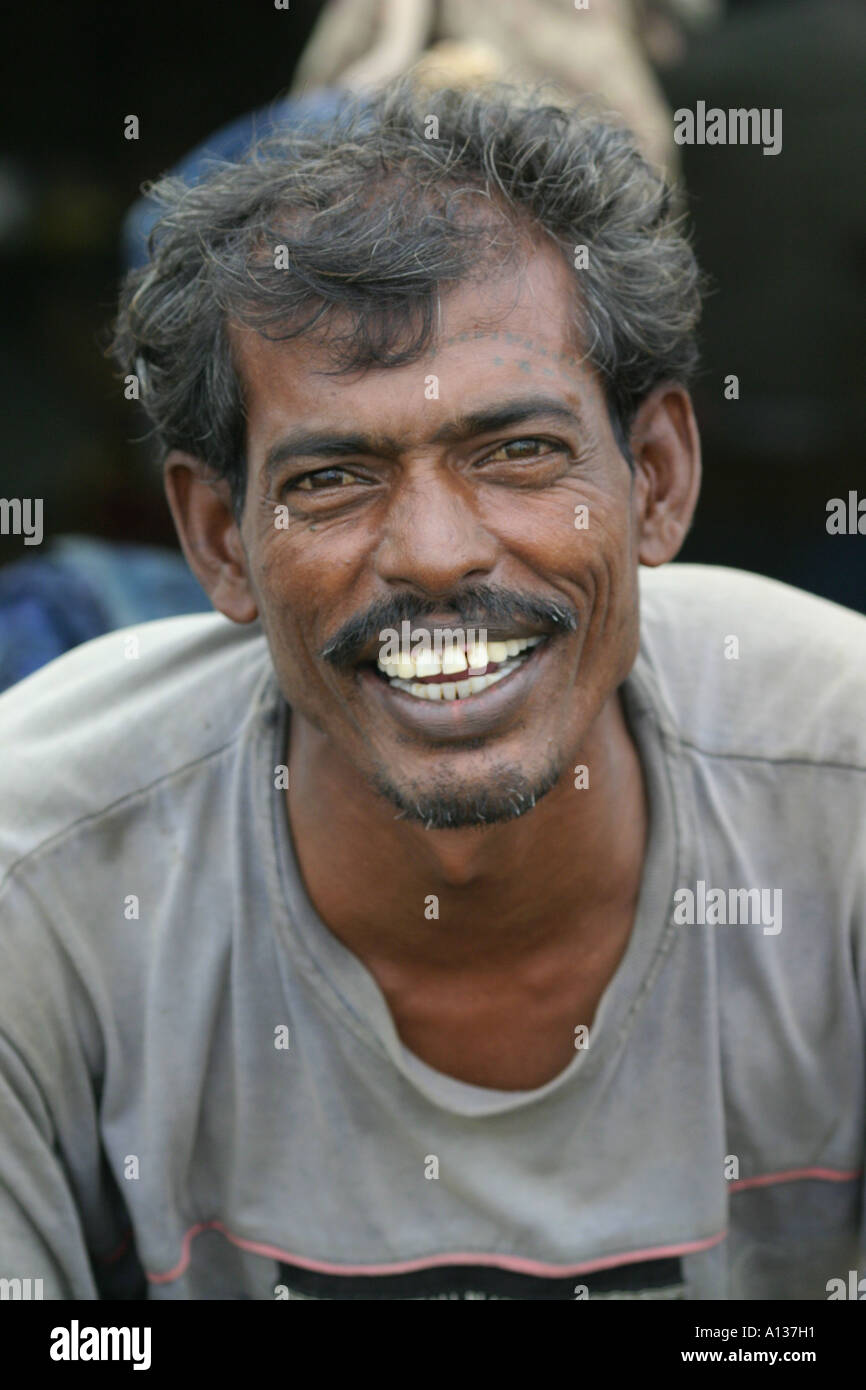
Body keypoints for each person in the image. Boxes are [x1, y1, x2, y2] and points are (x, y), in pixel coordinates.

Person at [0, 79, 863, 1302]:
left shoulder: (842, 794)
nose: (434, 552)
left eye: (515, 452)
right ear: (219, 543)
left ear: (656, 479)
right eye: (336, 476)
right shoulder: (34, 868)